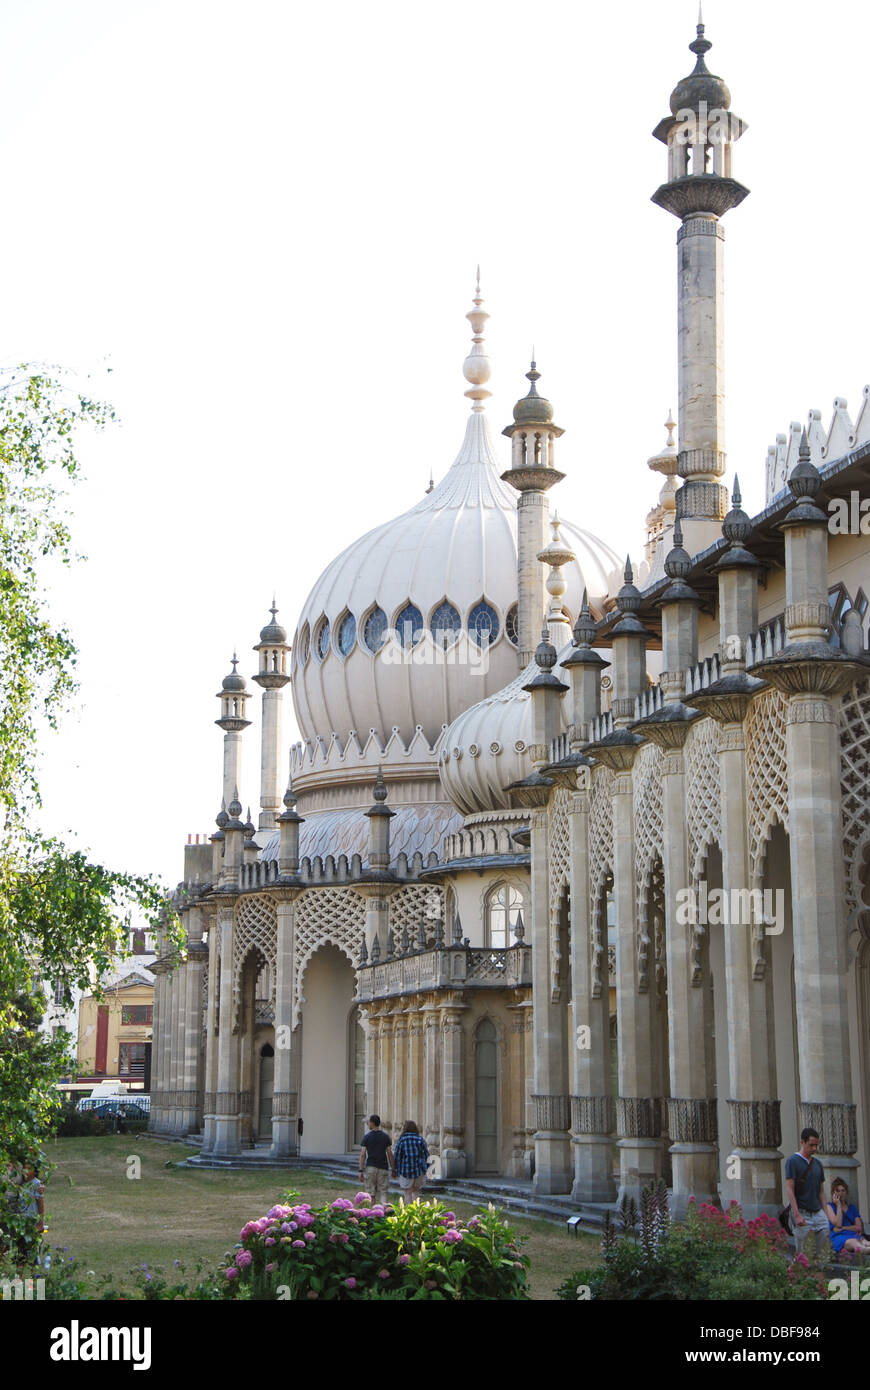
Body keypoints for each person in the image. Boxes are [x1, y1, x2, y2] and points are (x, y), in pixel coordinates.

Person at [785, 1128, 830, 1262]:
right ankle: (797, 1272)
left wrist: (826, 1212)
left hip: (817, 1211)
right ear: (802, 1142)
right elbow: (789, 1188)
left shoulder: (817, 1164)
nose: (814, 1148)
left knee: (825, 1233)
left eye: (816, 1145)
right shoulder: (792, 1161)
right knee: (802, 1251)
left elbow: (821, 1191)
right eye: (811, 1145)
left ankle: (816, 1266)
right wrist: (796, 1213)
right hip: (802, 1211)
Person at [826, 1178, 870, 1257]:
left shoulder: (852, 1208)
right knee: (856, 1244)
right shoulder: (830, 1207)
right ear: (833, 1193)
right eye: (838, 1191)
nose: (841, 1193)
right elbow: (838, 1224)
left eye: (843, 1190)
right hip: (839, 1237)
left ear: (846, 1192)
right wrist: (838, 1206)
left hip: (854, 1235)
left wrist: (843, 1228)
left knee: (866, 1242)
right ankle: (866, 1250)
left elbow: (859, 1227)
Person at [359, 1115, 394, 1204]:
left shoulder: (367, 1137)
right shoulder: (385, 1137)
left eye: (369, 1122)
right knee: (383, 1192)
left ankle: (371, 1213)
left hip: (371, 1167)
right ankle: (383, 1210)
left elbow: (363, 1155)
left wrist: (360, 1170)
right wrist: (393, 1169)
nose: (368, 1124)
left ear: (372, 1123)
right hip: (383, 1167)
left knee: (370, 1193)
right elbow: (390, 1154)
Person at [392, 1121, 430, 1200]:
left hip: (405, 1170)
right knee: (416, 1193)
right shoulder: (420, 1139)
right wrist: (426, 1168)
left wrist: (395, 1169)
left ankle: (408, 1211)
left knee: (407, 1193)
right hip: (418, 1170)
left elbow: (397, 1156)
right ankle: (416, 1211)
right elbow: (426, 1156)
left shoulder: (402, 1140)